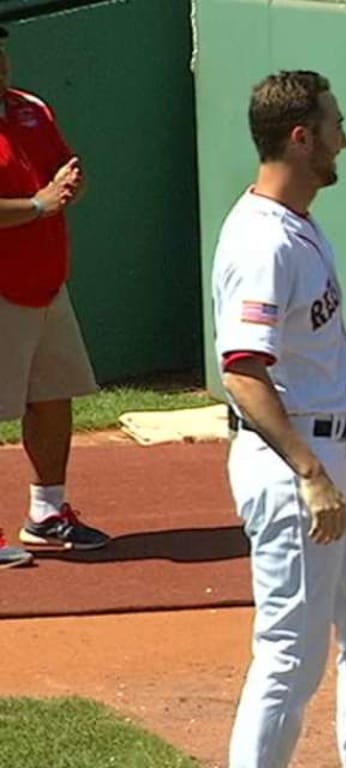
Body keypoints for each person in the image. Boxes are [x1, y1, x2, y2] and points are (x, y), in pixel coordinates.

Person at [212, 70, 346, 768]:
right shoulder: (262, 243)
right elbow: (241, 370)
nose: (344, 141)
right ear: (302, 137)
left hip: (329, 459)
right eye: (335, 126)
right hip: (293, 463)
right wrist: (307, 471)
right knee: (291, 655)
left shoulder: (293, 222)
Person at [0, 23, 110, 569]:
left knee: (51, 398)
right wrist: (41, 204)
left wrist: (69, 186)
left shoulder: (30, 109)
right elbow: (41, 198)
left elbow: (63, 173)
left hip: (45, 284)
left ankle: (46, 514)